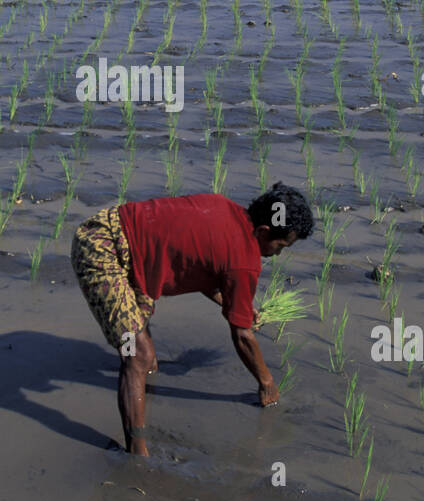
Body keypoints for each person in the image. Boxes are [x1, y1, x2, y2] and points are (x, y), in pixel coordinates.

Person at [70, 183, 314, 457]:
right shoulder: (244, 260)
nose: (278, 254)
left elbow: (202, 264)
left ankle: (138, 397)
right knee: (139, 355)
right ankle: (137, 454)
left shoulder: (223, 207)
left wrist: (234, 304)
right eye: (280, 246)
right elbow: (243, 336)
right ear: (263, 231)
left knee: (148, 360)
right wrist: (266, 382)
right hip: (101, 247)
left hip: (122, 236)